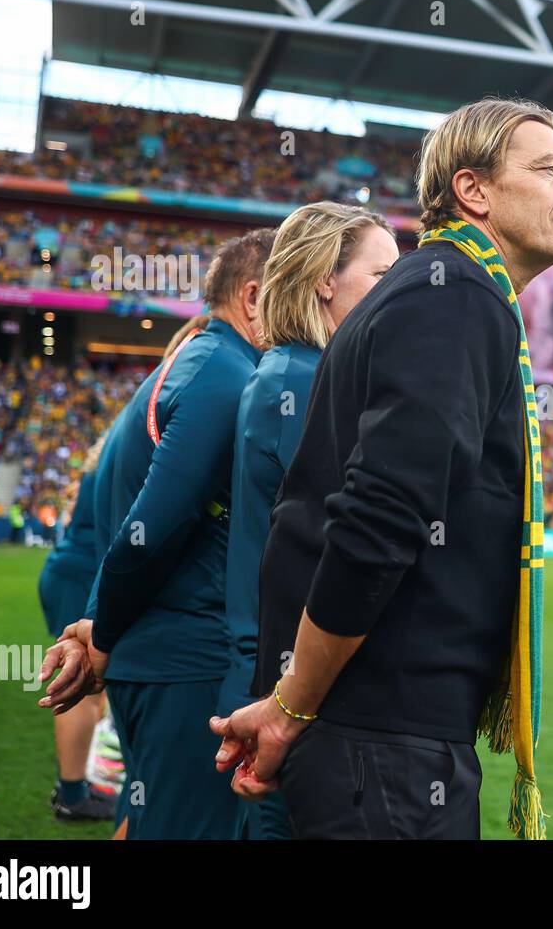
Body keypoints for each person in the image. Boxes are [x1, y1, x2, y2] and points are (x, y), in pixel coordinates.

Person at [211, 97, 553, 840]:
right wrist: (292, 707)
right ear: (472, 190)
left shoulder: (439, 292)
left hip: (381, 731)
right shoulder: (455, 299)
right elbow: (381, 514)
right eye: (548, 169)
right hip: (383, 738)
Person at [39, 228, 275, 839]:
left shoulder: (196, 361)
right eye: (296, 290)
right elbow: (147, 530)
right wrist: (103, 632)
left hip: (162, 653)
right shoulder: (223, 374)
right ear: (253, 298)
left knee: (151, 821)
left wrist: (101, 624)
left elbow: (132, 524)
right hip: (185, 661)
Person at [219, 202, 399, 839]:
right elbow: (355, 539)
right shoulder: (302, 378)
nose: (397, 294)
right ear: (325, 279)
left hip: (281, 676)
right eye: (382, 277)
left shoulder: (296, 371)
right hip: (285, 688)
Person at [36, 435, 115, 822]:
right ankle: (71, 794)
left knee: (93, 683)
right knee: (80, 681)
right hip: (81, 573)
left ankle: (79, 782)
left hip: (74, 569)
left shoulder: (102, 460)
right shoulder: (119, 455)